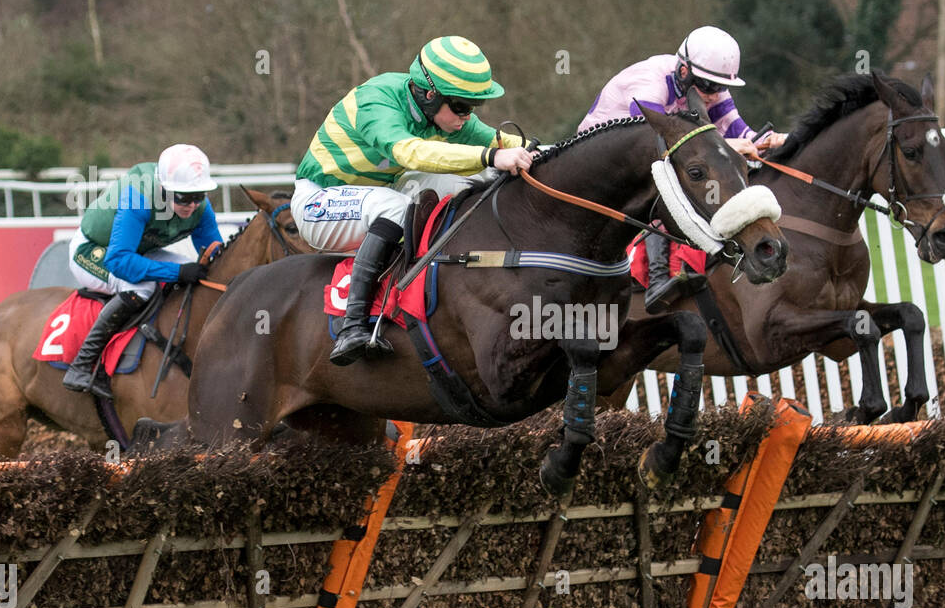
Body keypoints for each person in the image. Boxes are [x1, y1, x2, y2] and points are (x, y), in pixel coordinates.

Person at [292, 35, 534, 367]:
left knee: (462, 181)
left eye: (473, 107)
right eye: (461, 106)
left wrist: (549, 155)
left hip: (377, 194)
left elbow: (499, 141)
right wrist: (491, 156)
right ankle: (353, 326)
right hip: (318, 203)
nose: (467, 116)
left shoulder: (444, 112)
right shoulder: (376, 100)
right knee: (397, 206)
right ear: (430, 94)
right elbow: (408, 151)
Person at [579, 26, 786, 313]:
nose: (714, 95)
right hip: (605, 156)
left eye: (720, 87)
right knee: (668, 184)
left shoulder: (708, 86)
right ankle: (659, 277)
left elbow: (741, 133)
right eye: (708, 86)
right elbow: (657, 142)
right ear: (684, 71)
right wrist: (732, 146)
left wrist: (776, 142)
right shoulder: (649, 82)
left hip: (653, 151)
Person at [63, 143, 223, 399]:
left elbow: (215, 255)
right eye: (183, 197)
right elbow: (119, 261)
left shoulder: (200, 209)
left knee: (190, 268)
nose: (191, 205)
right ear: (164, 189)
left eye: (198, 195)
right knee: (143, 285)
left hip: (137, 252)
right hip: (94, 251)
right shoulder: (138, 198)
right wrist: (177, 273)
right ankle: (81, 365)